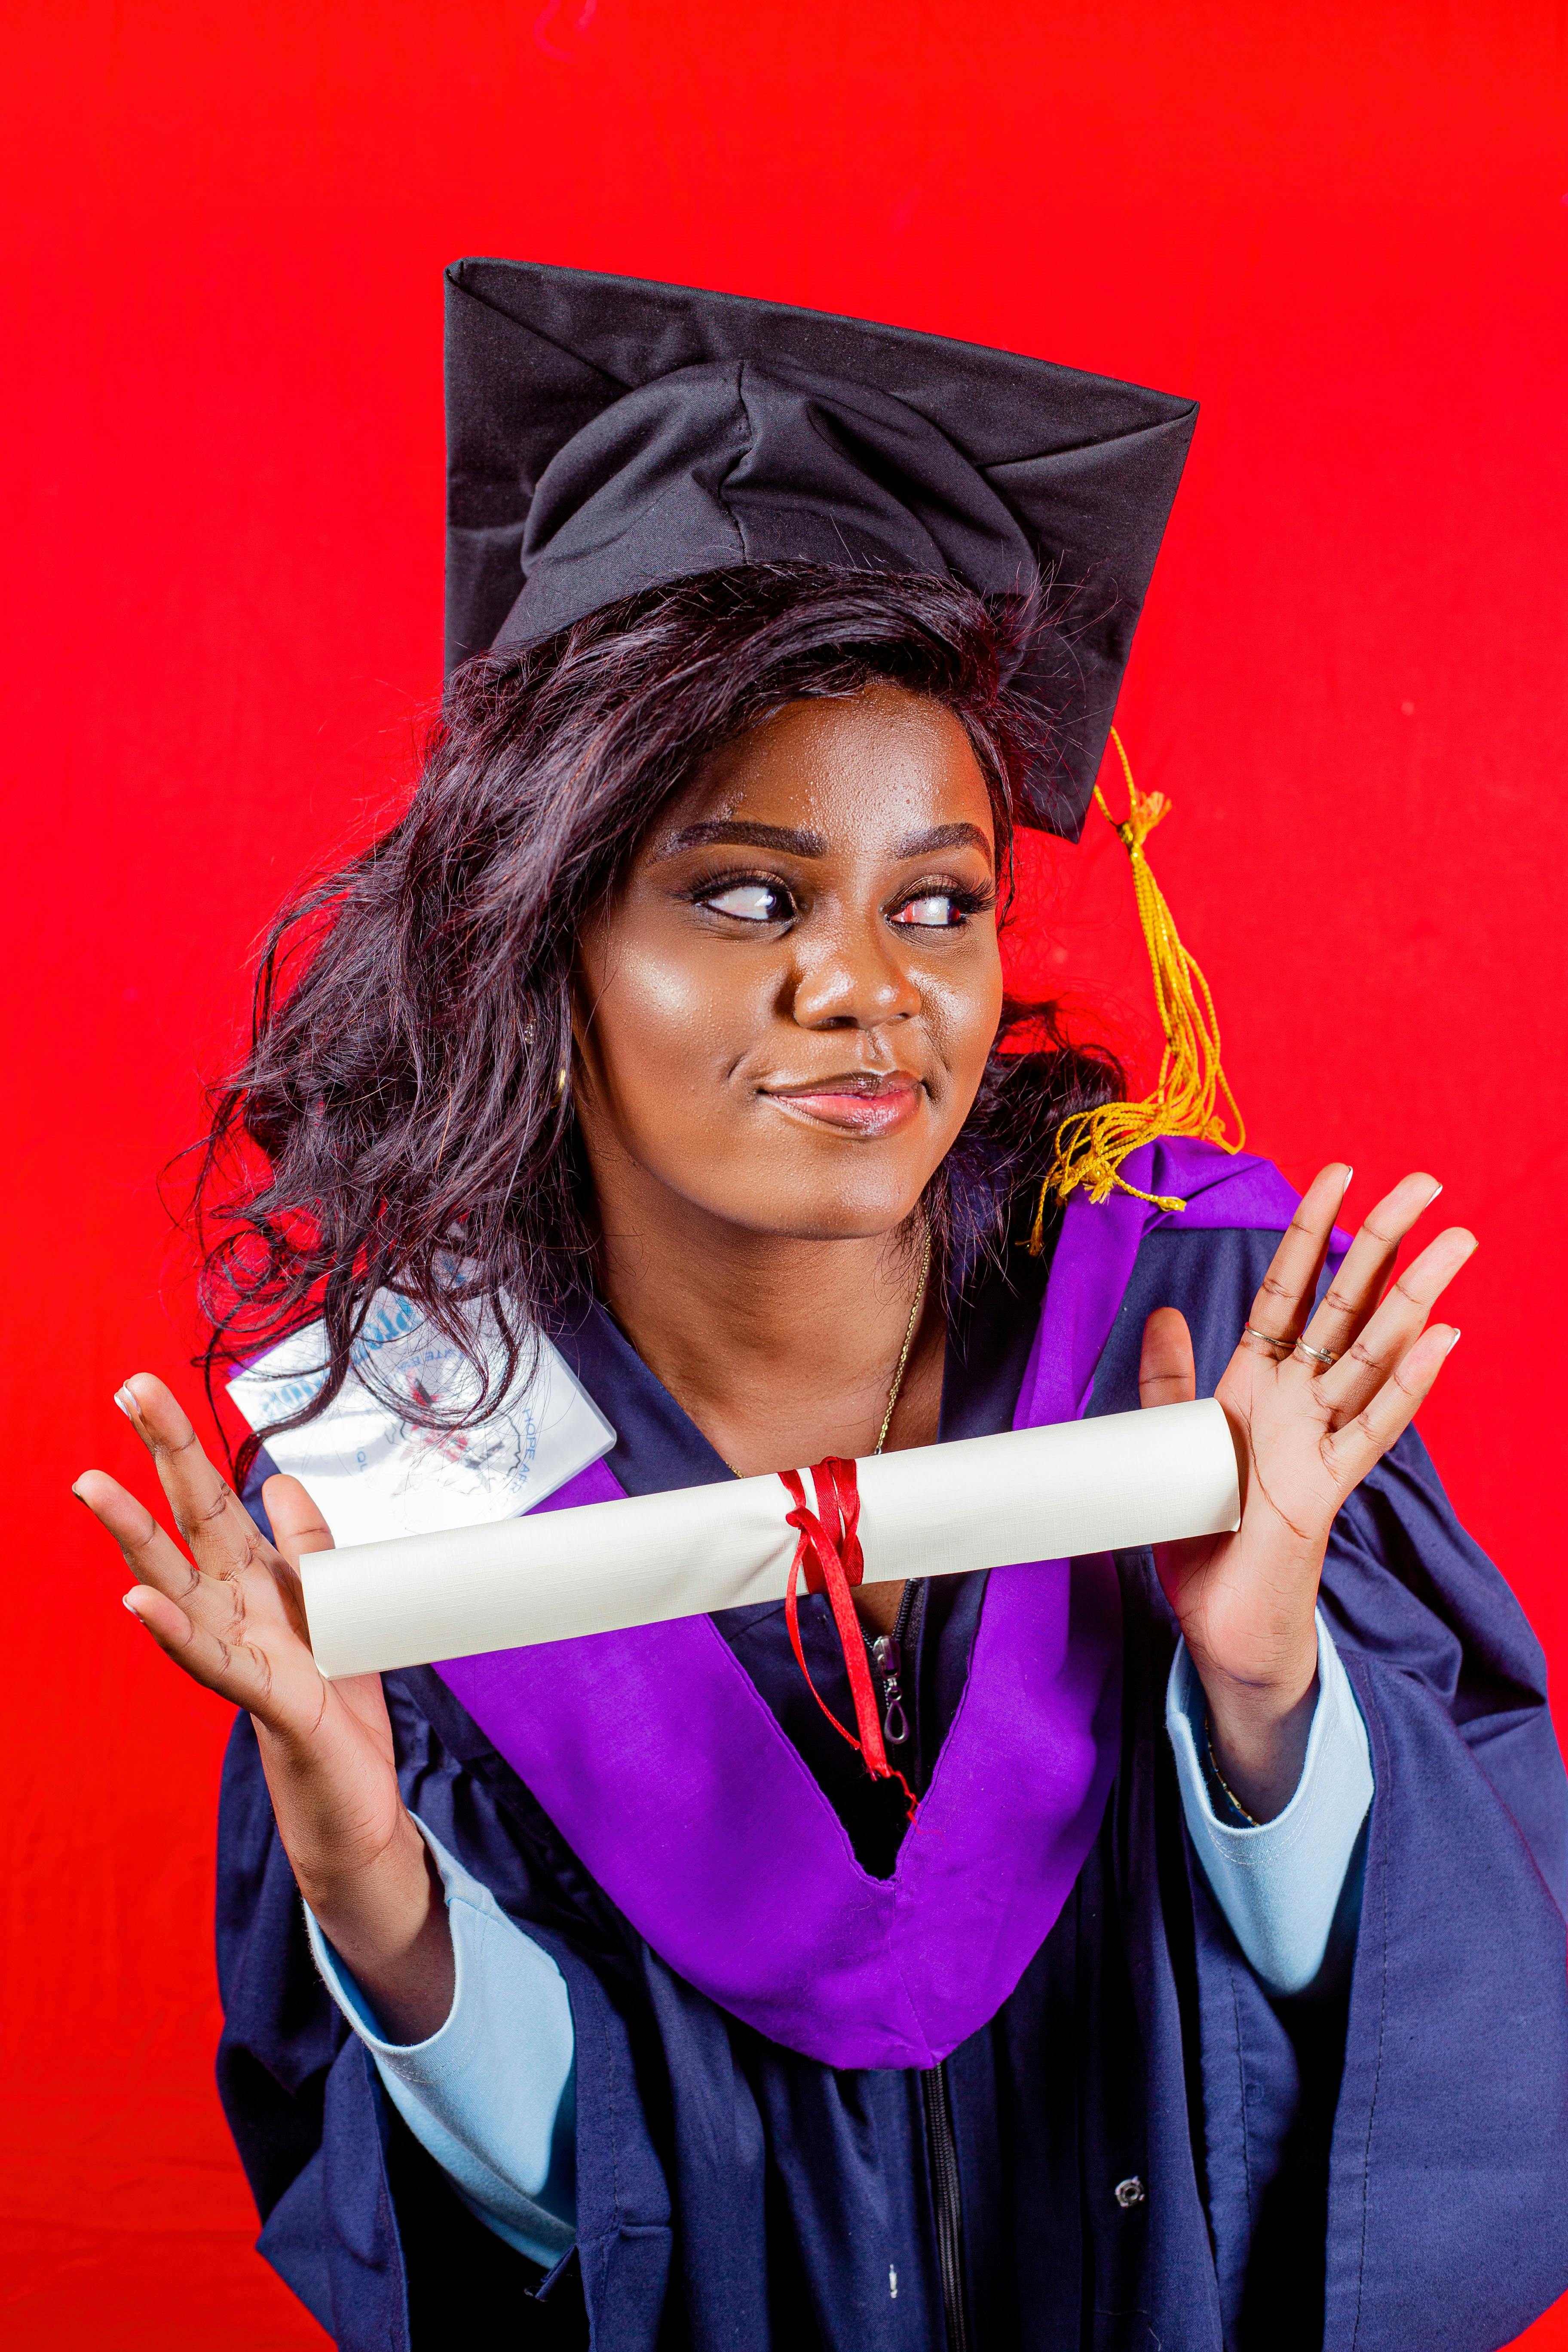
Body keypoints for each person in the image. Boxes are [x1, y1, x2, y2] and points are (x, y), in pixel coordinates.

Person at [75, 264, 1568, 2351]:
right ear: (546, 932)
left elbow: (1442, 2057)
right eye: (749, 894)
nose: (870, 986)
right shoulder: (400, 1474)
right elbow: (525, 2225)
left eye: (938, 898)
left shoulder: (1212, 1337)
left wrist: (1262, 1700)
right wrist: (377, 1892)